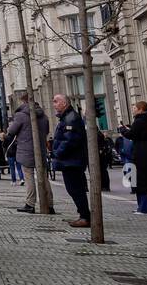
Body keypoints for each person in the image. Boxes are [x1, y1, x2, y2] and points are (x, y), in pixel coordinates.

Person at [50, 93, 91, 228]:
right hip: (70, 160)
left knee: (75, 189)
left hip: (72, 161)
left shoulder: (71, 118)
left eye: (56, 101)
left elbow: (70, 140)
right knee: (73, 188)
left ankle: (85, 216)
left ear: (64, 103)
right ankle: (83, 215)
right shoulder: (67, 118)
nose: (54, 104)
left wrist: (57, 153)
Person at [6, 93, 48, 213]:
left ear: (23, 102)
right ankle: (49, 204)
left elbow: (12, 131)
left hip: (26, 150)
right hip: (41, 149)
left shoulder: (21, 115)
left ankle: (30, 203)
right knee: (44, 177)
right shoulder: (43, 115)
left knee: (29, 177)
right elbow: (47, 130)